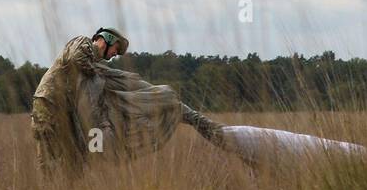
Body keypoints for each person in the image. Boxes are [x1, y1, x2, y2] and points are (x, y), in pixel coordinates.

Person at [30, 26, 225, 175]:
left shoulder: (98, 68)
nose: (115, 54)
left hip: (66, 113)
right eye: (116, 49)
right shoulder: (83, 43)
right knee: (49, 159)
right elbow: (76, 58)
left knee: (74, 163)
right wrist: (96, 72)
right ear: (106, 39)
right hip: (49, 104)